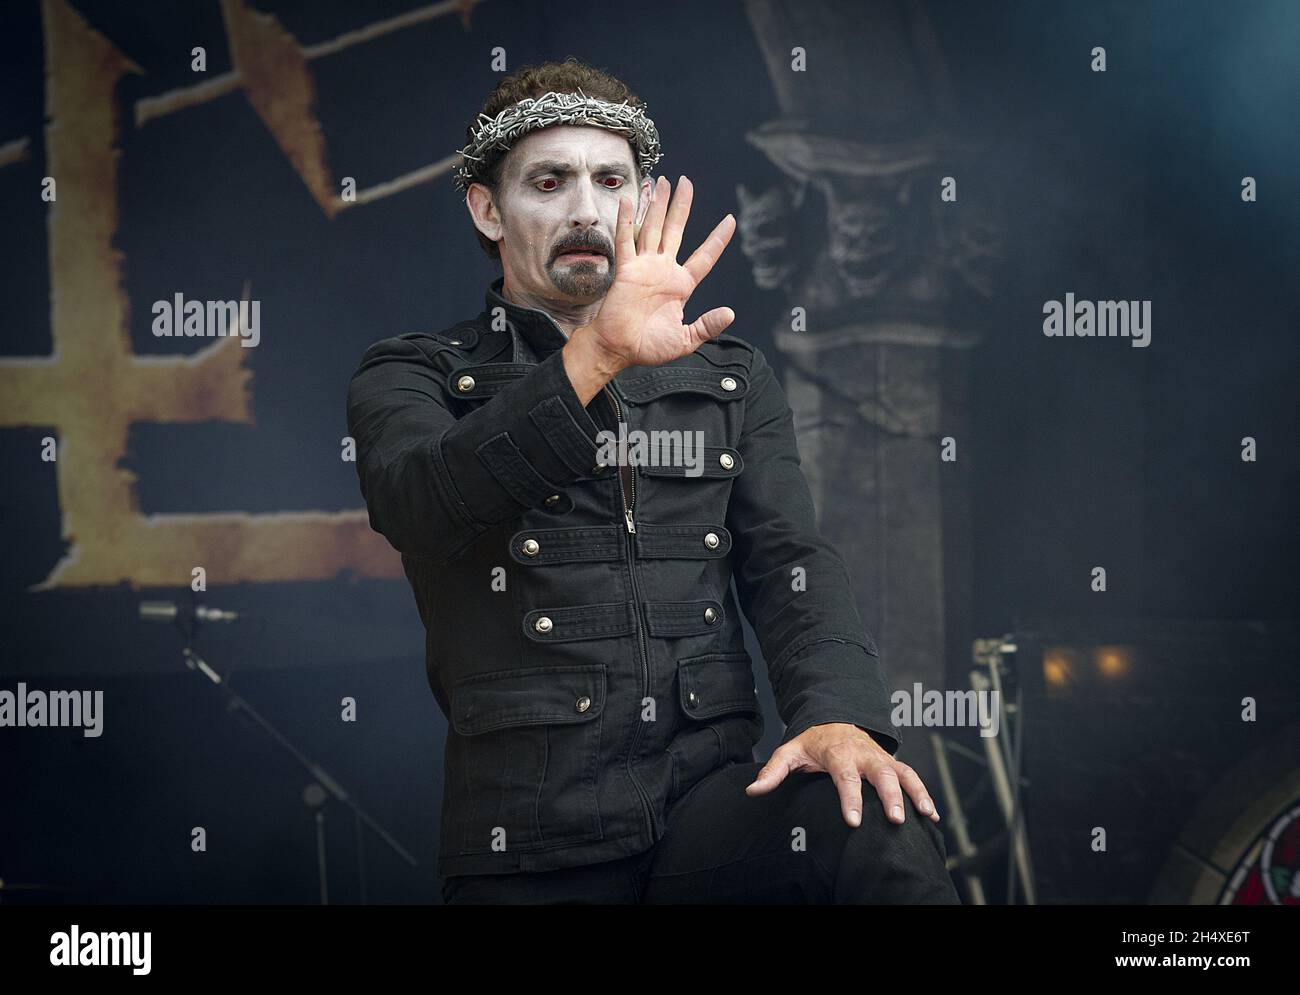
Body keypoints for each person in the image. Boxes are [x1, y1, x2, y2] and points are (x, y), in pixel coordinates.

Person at [346, 57, 959, 904]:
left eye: (611, 181)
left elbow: (791, 564)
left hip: (706, 811)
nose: (587, 211)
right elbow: (422, 503)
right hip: (525, 842)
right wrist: (597, 353)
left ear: (642, 201)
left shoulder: (730, 377)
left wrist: (838, 716)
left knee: (873, 812)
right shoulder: (412, 373)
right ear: (488, 209)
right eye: (550, 182)